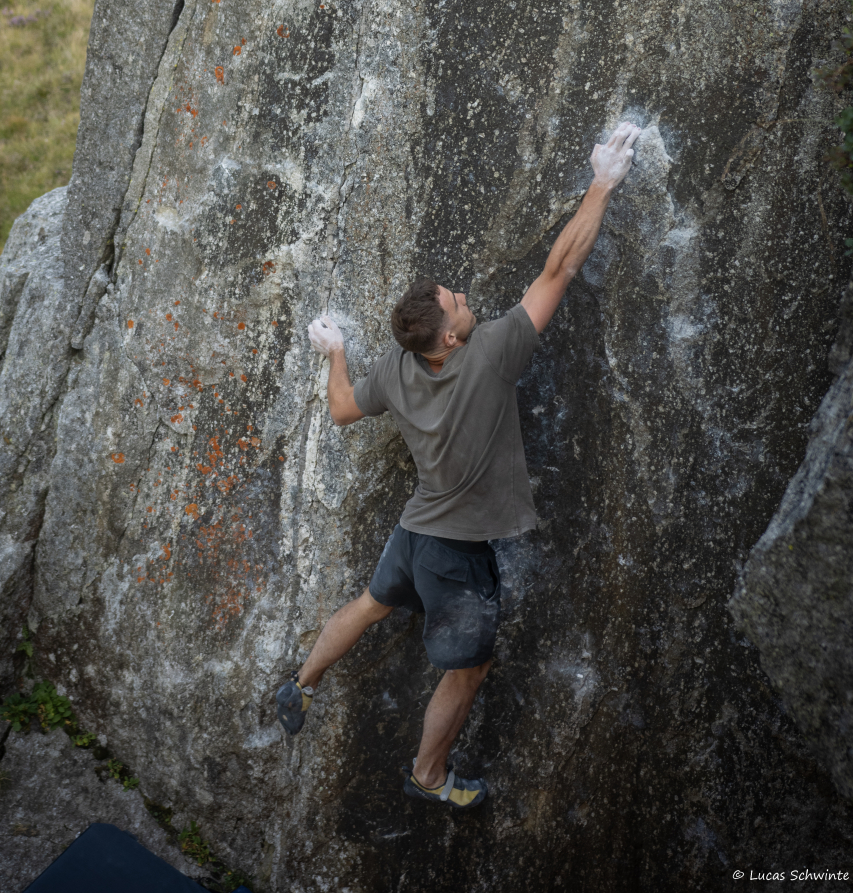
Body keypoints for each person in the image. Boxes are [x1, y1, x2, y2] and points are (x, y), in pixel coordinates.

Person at [275, 122, 642, 808]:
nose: (467, 296)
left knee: (372, 602)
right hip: (455, 550)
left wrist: (334, 354)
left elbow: (345, 410)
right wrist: (603, 181)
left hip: (415, 532)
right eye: (457, 302)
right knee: (469, 670)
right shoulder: (493, 352)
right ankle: (429, 776)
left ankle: (302, 683)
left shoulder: (399, 366)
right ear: (447, 336)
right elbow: (559, 268)